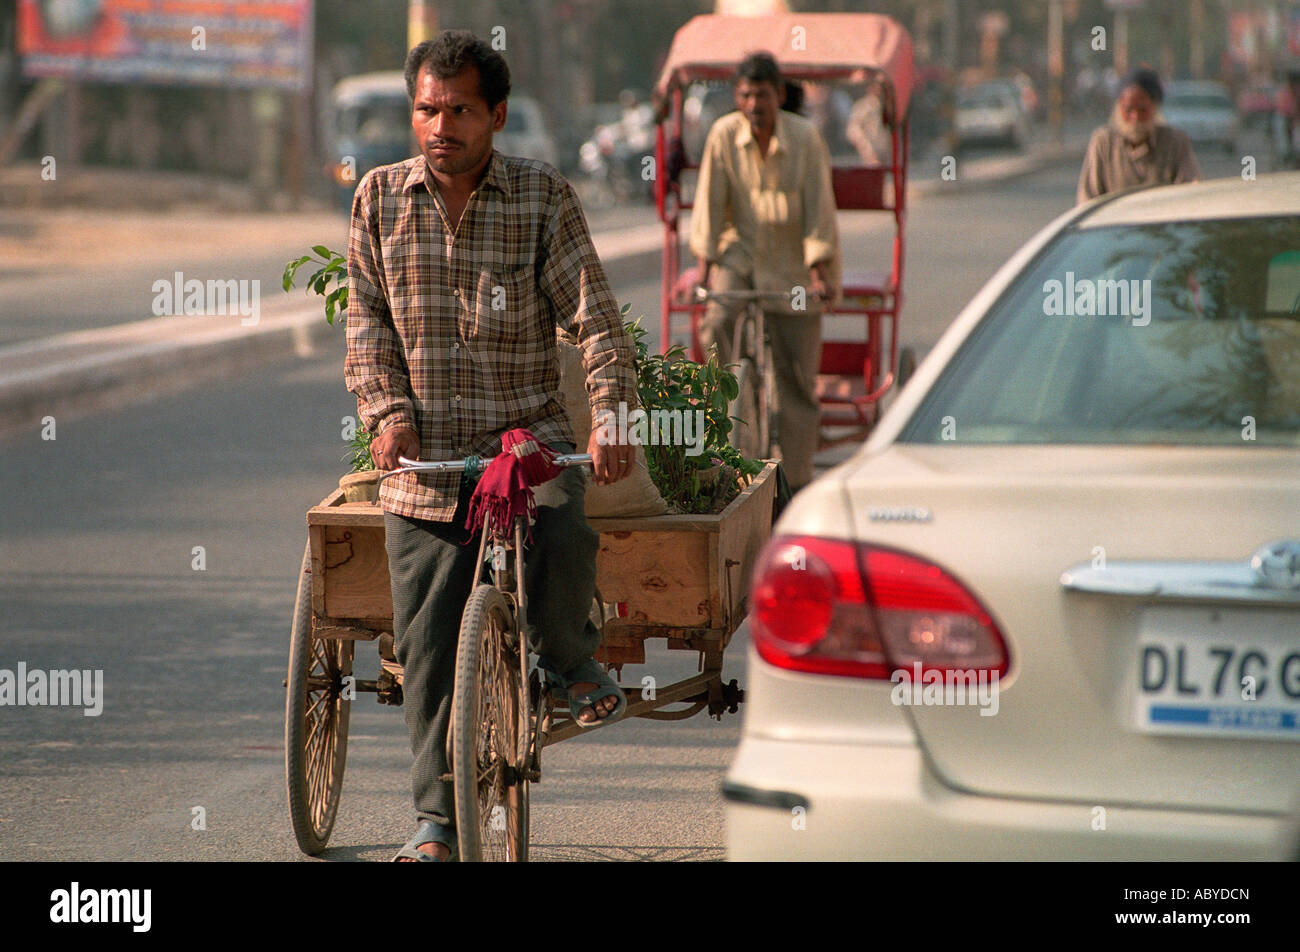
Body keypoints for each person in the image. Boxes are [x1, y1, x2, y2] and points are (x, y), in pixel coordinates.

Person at [344, 30, 637, 862]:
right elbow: (366, 325)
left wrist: (611, 412)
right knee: (430, 649)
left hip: (524, 441)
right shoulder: (376, 199)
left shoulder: (544, 197)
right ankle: (436, 823)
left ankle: (567, 661)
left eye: (460, 110)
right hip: (425, 461)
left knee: (564, 530)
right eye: (428, 110)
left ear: (496, 116)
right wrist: (386, 412)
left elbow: (596, 320)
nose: (441, 126)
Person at [690, 51, 841, 492]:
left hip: (794, 262)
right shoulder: (723, 135)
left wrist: (819, 272)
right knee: (716, 319)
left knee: (796, 383)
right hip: (740, 255)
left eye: (762, 94)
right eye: (745, 95)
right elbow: (710, 208)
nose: (754, 103)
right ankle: (723, 407)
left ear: (778, 95)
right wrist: (703, 271)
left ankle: (795, 486)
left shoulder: (806, 138)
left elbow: (819, 210)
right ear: (737, 98)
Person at [1077, 67, 1200, 204]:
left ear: (1155, 107)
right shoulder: (1103, 142)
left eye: (1142, 109)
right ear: (1119, 107)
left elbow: (1190, 192)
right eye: (1128, 109)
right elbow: (1088, 199)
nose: (1135, 117)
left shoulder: (1175, 141)